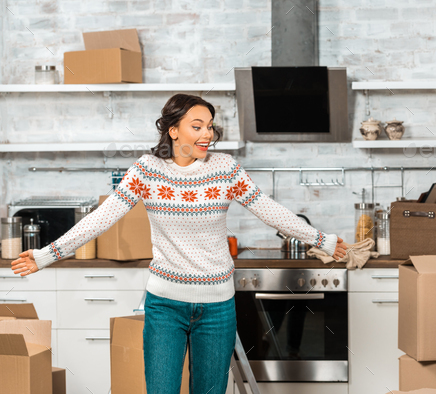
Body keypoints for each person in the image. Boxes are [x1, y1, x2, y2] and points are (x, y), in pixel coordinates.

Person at [10, 93, 348, 394]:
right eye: (197, 126)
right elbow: (102, 218)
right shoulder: (147, 171)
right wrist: (45, 255)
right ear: (173, 130)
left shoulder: (225, 169)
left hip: (217, 308)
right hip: (165, 306)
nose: (207, 135)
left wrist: (322, 239)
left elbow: (269, 210)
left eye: (210, 127)